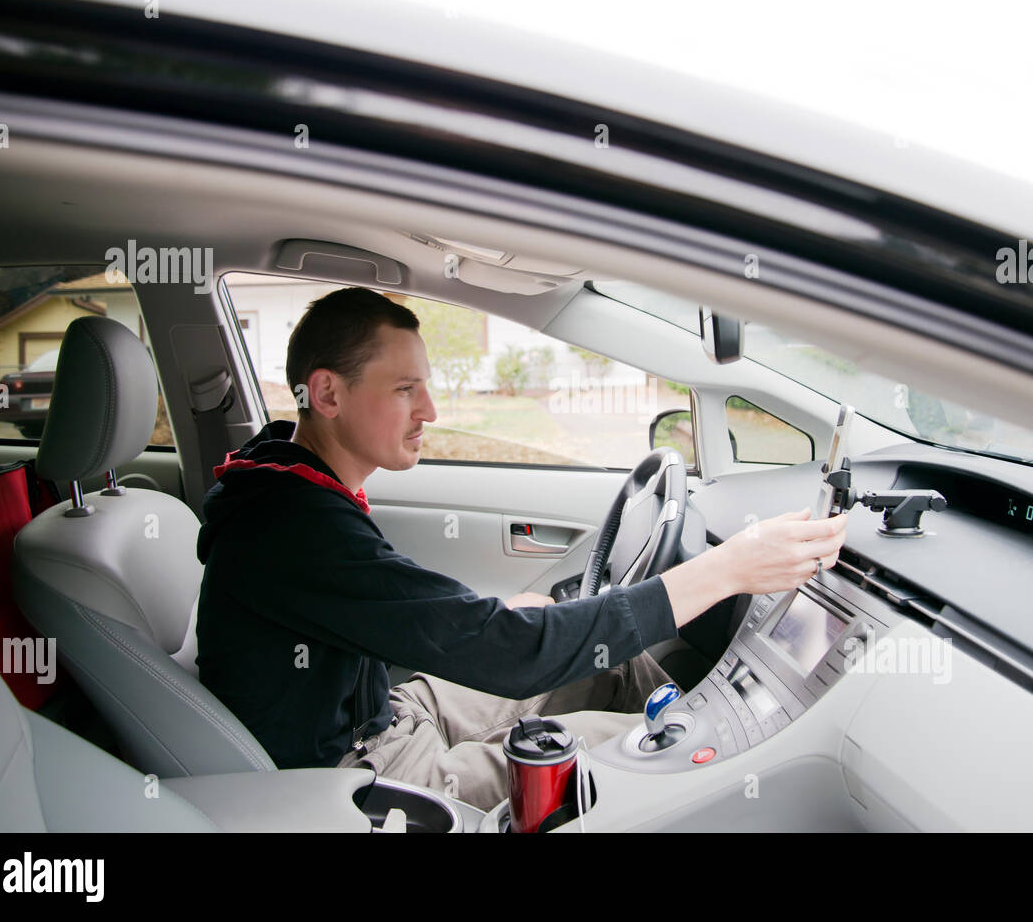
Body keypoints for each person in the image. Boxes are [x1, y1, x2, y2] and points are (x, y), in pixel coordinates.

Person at [195, 287, 848, 811]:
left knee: (612, 669)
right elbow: (510, 654)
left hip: (387, 714)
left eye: (425, 385)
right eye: (404, 389)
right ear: (328, 393)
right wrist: (726, 569)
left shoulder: (287, 483)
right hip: (354, 775)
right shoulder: (292, 525)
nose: (430, 410)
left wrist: (500, 618)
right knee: (651, 748)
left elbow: (397, 613)